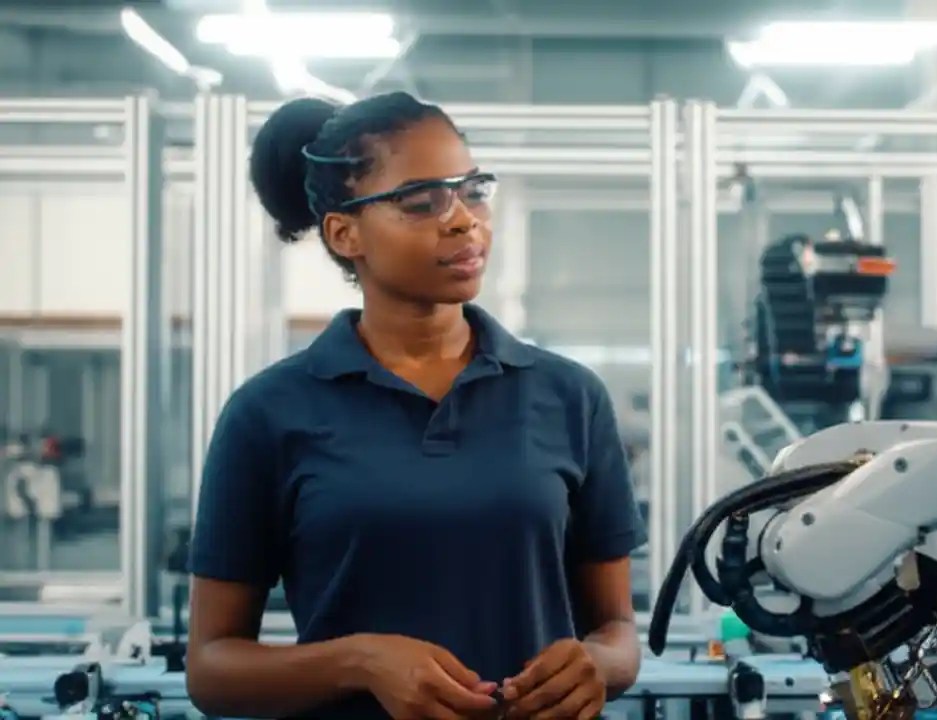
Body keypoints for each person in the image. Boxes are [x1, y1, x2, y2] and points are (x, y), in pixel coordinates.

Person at [185, 91, 647, 720]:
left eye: (473, 190)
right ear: (345, 233)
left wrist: (596, 665)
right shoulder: (268, 413)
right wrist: (360, 661)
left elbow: (616, 628)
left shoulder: (569, 397)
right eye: (422, 202)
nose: (464, 220)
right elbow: (212, 670)